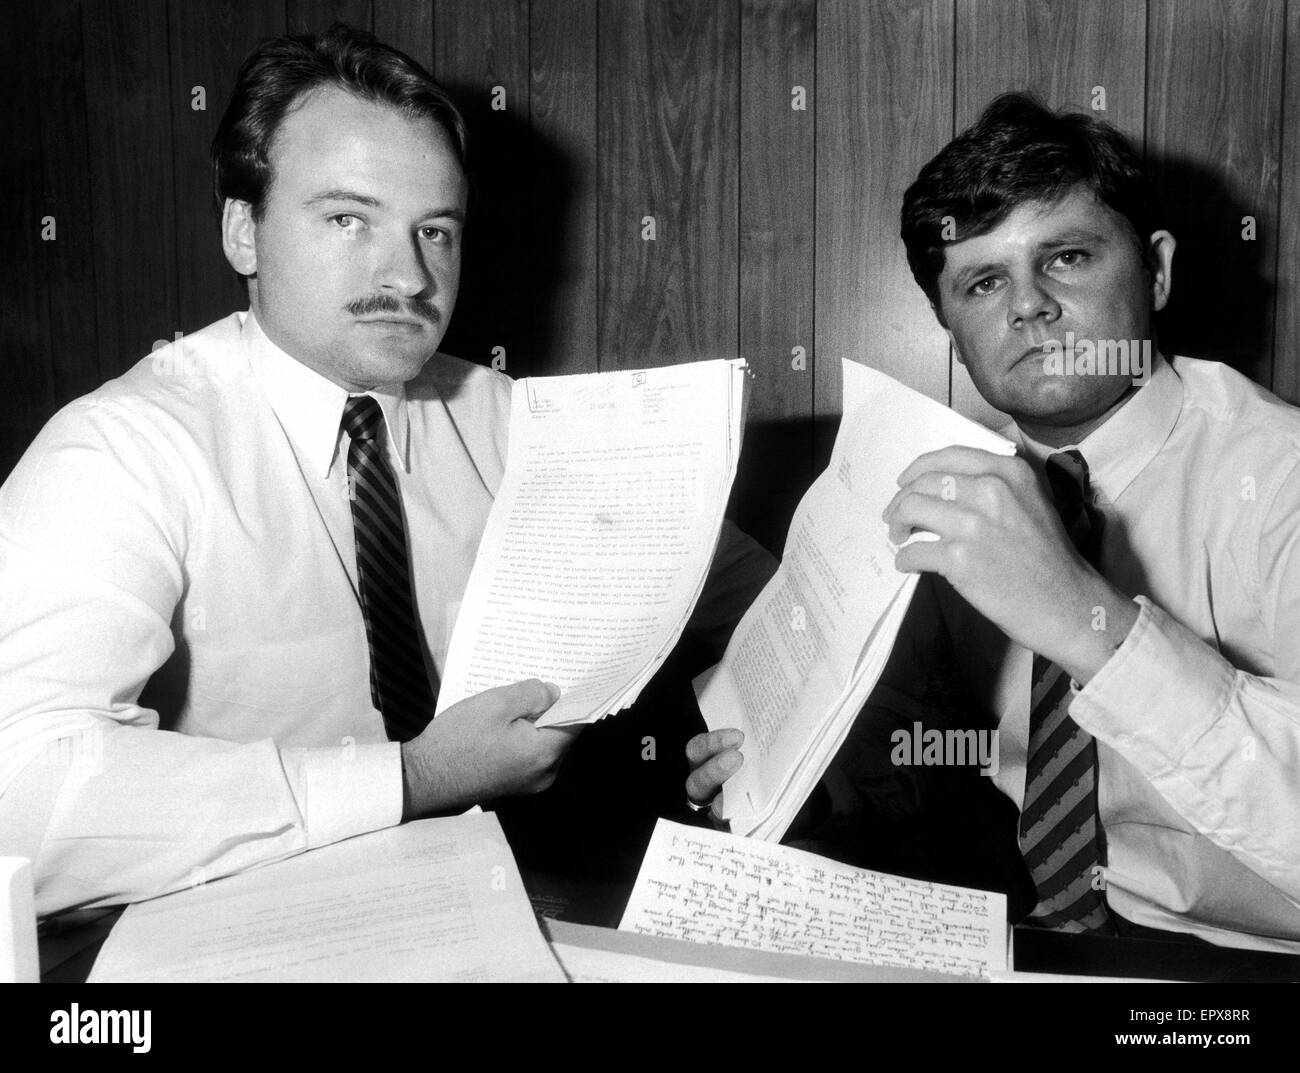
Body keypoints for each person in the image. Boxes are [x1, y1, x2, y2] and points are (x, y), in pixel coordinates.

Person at [0, 25, 772, 917]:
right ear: (242, 232)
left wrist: (753, 739)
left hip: (495, 910)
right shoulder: (122, 448)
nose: (406, 275)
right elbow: (17, 791)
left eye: (434, 230)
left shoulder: (512, 419)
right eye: (347, 219)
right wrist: (409, 777)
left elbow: (749, 594)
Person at [687, 93, 1300, 952]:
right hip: (1023, 935)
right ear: (952, 334)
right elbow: (922, 752)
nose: (1029, 307)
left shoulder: (1280, 478)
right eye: (983, 282)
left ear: (1156, 271)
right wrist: (794, 778)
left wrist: (1093, 624)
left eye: (1069, 257)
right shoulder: (944, 482)